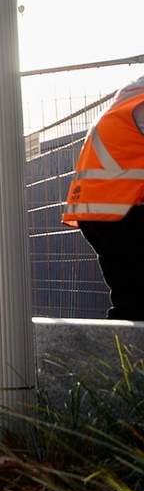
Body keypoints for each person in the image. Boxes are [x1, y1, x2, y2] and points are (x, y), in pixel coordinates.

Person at [62, 74, 144, 320]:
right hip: (124, 210)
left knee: (130, 294)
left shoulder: (124, 104)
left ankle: (124, 351)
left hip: (99, 212)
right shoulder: (138, 105)